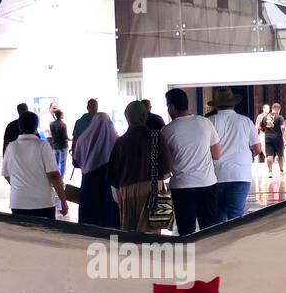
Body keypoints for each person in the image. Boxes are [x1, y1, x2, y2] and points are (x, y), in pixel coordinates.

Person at [162, 87, 220, 235]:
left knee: (186, 231)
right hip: (207, 183)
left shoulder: (167, 130)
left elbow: (165, 163)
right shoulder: (205, 122)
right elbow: (216, 154)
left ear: (172, 107)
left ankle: (189, 257)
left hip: (182, 187)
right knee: (210, 231)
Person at [110, 100, 173, 231]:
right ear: (145, 116)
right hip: (153, 189)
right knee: (152, 236)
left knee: (130, 237)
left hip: (127, 191)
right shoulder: (156, 137)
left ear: (127, 117)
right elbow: (167, 167)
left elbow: (113, 174)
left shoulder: (120, 142)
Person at [2, 111, 69, 219]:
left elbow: (6, 175)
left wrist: (22, 187)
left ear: (20, 126)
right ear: (36, 126)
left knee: (21, 235)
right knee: (45, 234)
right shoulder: (43, 146)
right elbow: (54, 176)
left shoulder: (11, 147)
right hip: (43, 203)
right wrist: (63, 201)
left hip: (19, 202)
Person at [209, 87, 256, 223]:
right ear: (233, 103)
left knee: (217, 219)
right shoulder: (246, 121)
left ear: (216, 104)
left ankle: (219, 243)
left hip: (216, 175)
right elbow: (257, 147)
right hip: (240, 175)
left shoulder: (209, 122)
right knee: (236, 219)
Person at [72, 98, 120, 227]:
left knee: (89, 212)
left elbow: (76, 158)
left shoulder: (83, 139)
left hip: (89, 180)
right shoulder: (116, 140)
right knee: (108, 211)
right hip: (108, 182)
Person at [261, 102, 286, 176]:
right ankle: (281, 170)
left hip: (268, 138)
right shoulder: (279, 117)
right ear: (278, 109)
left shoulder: (265, 117)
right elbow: (282, 127)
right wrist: (284, 137)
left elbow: (261, 127)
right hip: (278, 138)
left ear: (272, 109)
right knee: (280, 155)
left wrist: (267, 132)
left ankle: (270, 172)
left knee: (269, 155)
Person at [48, 106, 70, 177]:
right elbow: (65, 136)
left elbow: (52, 134)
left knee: (56, 163)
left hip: (55, 146)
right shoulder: (63, 124)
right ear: (60, 115)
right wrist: (71, 139)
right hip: (63, 146)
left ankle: (56, 178)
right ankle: (61, 178)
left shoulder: (51, 124)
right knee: (63, 163)